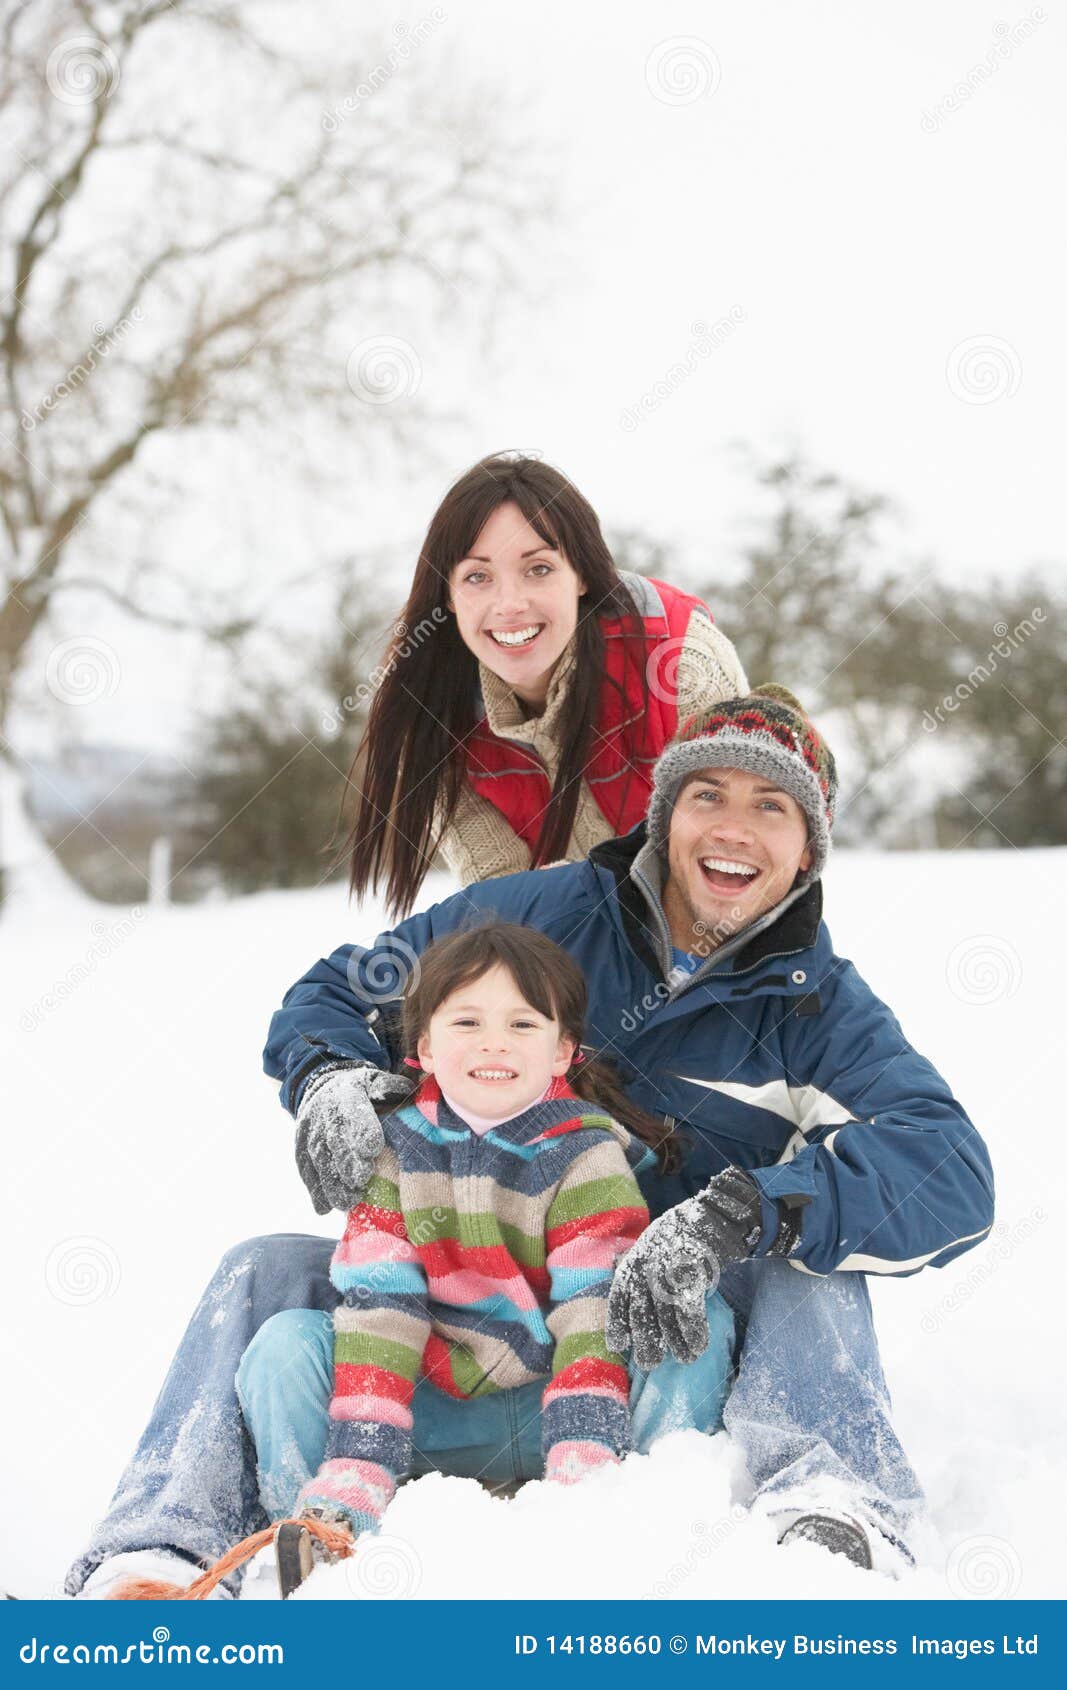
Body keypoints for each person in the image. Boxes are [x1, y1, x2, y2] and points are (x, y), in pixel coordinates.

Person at [67, 685, 994, 1594]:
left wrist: (744, 1212)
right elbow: (342, 992)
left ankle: (828, 1510)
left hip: (655, 1323)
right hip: (476, 1273)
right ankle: (165, 1546)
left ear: (806, 853)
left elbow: (949, 1170)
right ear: (667, 814)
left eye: (772, 808)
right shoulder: (545, 914)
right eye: (706, 794)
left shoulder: (822, 1007)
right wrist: (333, 1076)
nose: (732, 828)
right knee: (261, 1269)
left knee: (814, 1253)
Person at [238, 924, 734, 1593]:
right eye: (466, 1020)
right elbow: (379, 1310)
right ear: (423, 1048)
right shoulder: (393, 1150)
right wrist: (361, 1462)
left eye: (521, 1024)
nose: (493, 1042)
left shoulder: (585, 1155)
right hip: (431, 1410)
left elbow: (593, 1314)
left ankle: (646, 1518)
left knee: (692, 1317)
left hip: (561, 1408)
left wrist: (584, 1465)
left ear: (562, 1051)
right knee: (286, 1342)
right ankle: (319, 1532)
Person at [339, 451, 747, 914]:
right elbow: (510, 914)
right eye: (477, 576)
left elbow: (740, 856)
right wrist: (552, 908)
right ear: (448, 597)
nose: (509, 603)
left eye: (538, 569)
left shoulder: (677, 660)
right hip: (584, 961)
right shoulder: (435, 722)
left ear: (582, 576)